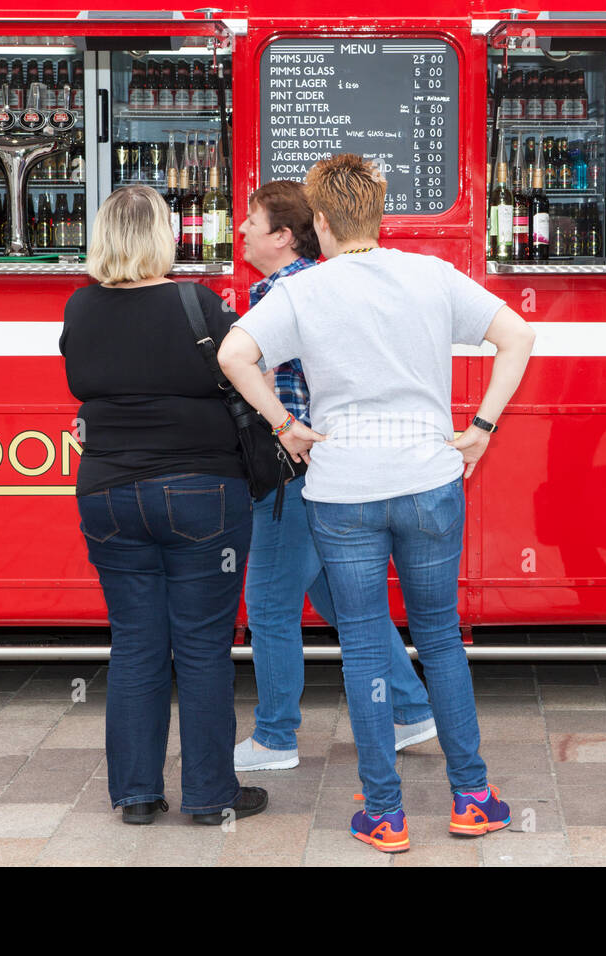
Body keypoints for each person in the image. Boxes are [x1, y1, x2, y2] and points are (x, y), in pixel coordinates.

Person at [218, 154, 536, 853]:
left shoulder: (304, 292)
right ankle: (473, 798)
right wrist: (480, 429)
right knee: (442, 639)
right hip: (429, 479)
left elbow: (234, 356)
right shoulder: (431, 275)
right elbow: (518, 336)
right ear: (378, 215)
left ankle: (386, 815)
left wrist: (286, 425)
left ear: (322, 223)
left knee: (362, 644)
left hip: (342, 488)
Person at [59, 185, 266, 826]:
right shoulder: (194, 302)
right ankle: (210, 797)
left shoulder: (80, 307)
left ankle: (138, 796)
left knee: (136, 643)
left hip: (108, 495)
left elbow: (83, 386)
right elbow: (243, 373)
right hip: (203, 492)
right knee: (203, 646)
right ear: (161, 237)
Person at [233, 180, 436, 772]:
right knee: (338, 599)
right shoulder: (332, 284)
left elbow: (247, 372)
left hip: (294, 470)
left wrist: (281, 425)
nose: (240, 229)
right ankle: (410, 707)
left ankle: (274, 737)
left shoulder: (280, 293)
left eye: (251, 220)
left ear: (283, 236)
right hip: (341, 468)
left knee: (269, 604)